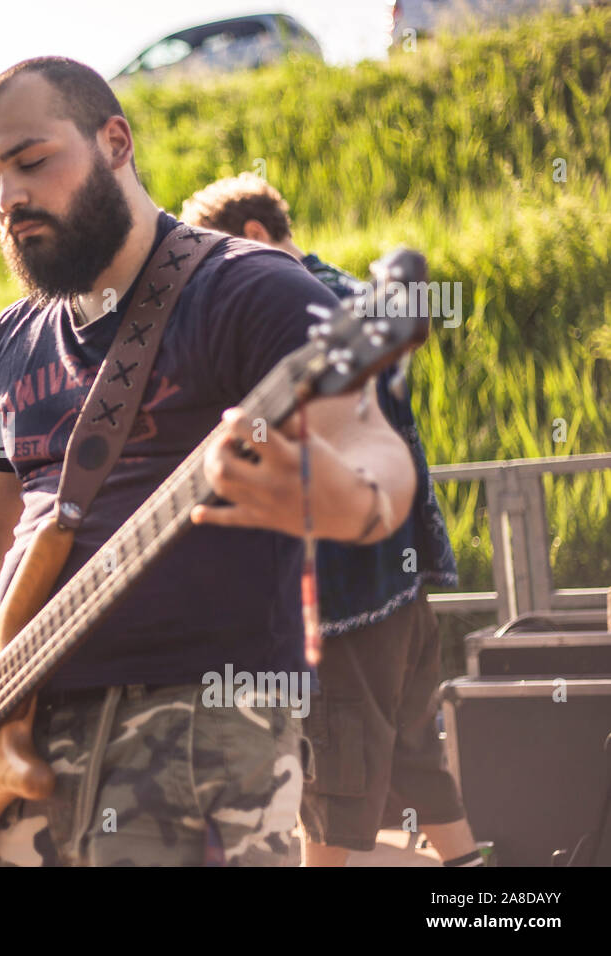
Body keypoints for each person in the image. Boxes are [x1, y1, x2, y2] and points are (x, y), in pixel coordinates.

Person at [0, 56, 419, 867]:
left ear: (114, 141)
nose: (7, 197)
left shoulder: (247, 289)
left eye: (31, 161)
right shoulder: (9, 344)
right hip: (9, 740)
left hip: (193, 728)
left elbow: (368, 438)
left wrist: (349, 501)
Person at [181, 173, 481, 867]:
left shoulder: (294, 318)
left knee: (332, 786)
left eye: (223, 259)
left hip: (344, 595)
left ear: (254, 236)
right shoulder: (350, 293)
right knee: (414, 756)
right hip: (403, 580)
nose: (224, 282)